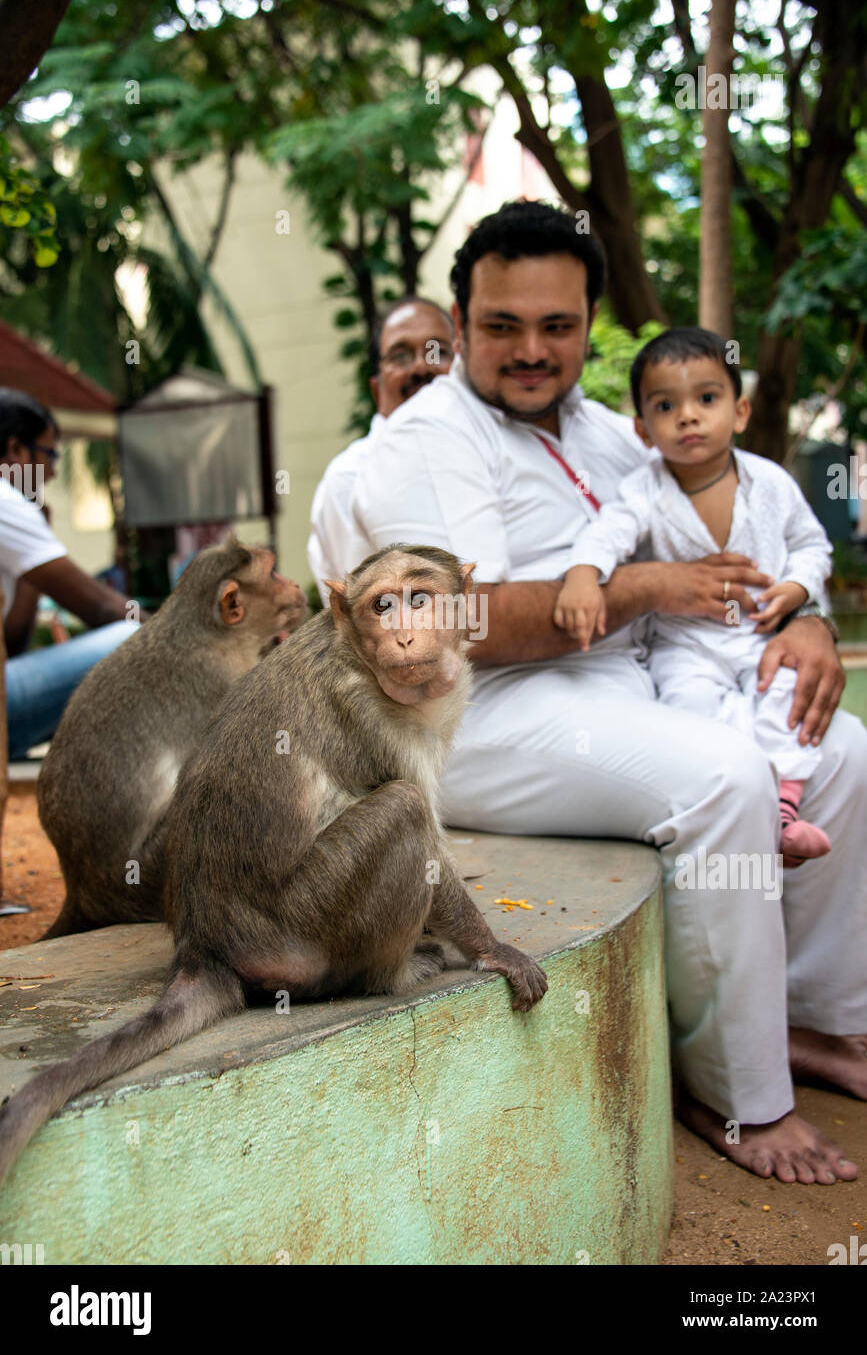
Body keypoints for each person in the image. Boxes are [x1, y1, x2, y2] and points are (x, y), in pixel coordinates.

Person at [317, 199, 866, 1185]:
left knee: (846, 749)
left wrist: (808, 620)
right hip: (488, 715)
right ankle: (736, 1092)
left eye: (557, 326)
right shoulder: (424, 443)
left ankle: (814, 1020)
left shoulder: (614, 432)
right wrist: (640, 589)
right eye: (502, 326)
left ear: (586, 323)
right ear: (461, 319)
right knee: (723, 779)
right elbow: (446, 623)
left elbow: (751, 535)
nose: (532, 350)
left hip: (642, 679)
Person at [556, 326, 833, 866]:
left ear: (741, 412)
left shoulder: (771, 484)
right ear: (642, 429)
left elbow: (812, 545)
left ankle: (783, 807)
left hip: (761, 637)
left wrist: (796, 590)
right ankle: (741, 811)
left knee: (788, 693)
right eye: (666, 405)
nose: (688, 415)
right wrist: (584, 574)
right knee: (693, 716)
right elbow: (607, 532)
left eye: (707, 398)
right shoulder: (644, 491)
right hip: (686, 647)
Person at [1, 389, 141, 765]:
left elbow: (11, 643)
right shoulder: (5, 501)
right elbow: (101, 607)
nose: (53, 471)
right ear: (15, 451)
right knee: (133, 636)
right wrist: (191, 629)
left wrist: (31, 566)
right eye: (49, 455)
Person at [307, 297, 454, 603]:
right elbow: (360, 613)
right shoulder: (349, 478)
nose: (421, 366)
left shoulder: (488, 454)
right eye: (401, 356)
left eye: (438, 351)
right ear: (375, 387)